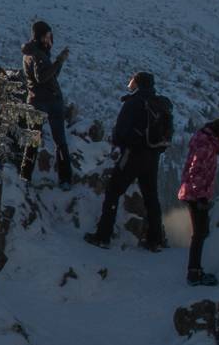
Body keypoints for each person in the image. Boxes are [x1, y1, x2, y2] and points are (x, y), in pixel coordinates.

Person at [85, 70, 172, 250]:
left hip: (133, 154)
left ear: (137, 84)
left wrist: (122, 144)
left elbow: (120, 133)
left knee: (113, 192)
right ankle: (155, 240)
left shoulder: (133, 103)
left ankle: (103, 235)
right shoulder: (160, 103)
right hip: (153, 156)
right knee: (151, 197)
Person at [176, 116, 219, 286]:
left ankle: (195, 270)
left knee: (201, 232)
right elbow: (195, 172)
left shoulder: (208, 142)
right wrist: (201, 195)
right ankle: (194, 273)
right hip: (196, 194)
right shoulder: (205, 146)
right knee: (199, 233)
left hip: (195, 192)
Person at [20, 21, 76, 188]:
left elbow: (50, 76)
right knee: (59, 141)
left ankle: (25, 175)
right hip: (47, 102)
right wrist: (59, 60)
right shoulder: (37, 54)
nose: (50, 38)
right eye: (48, 35)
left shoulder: (35, 52)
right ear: (42, 35)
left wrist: (58, 62)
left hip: (37, 100)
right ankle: (65, 179)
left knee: (33, 140)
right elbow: (42, 77)